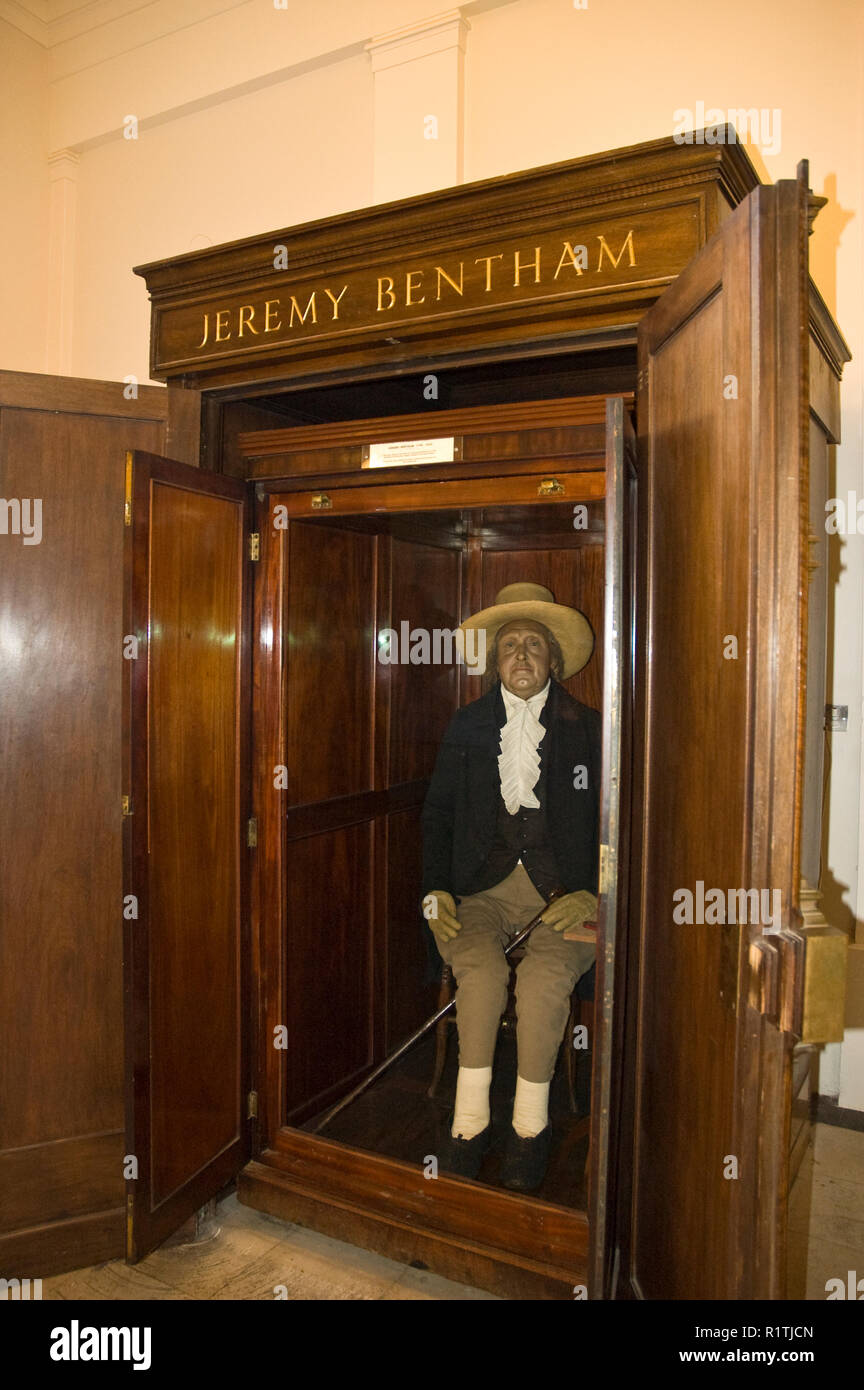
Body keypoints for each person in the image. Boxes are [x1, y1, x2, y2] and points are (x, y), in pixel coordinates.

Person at [421, 582, 600, 1191]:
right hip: (482, 891)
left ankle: (530, 1126)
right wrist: (437, 890)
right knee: (480, 968)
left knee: (546, 977)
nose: (521, 657)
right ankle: (468, 1121)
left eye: (533, 646)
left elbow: (623, 825)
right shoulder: (467, 726)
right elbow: (438, 814)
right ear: (496, 662)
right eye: (509, 648)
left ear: (553, 659)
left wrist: (596, 891)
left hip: (566, 896)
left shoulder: (590, 729)